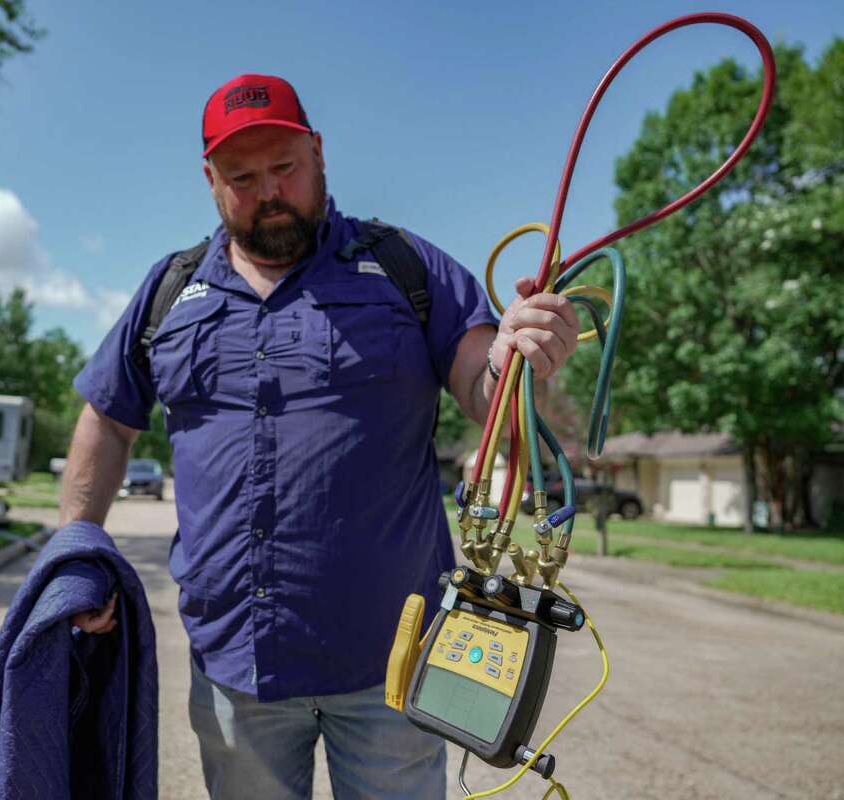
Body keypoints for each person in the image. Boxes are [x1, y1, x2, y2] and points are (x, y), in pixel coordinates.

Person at [60, 73, 580, 799]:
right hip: (237, 667)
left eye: (285, 167)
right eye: (242, 176)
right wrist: (73, 551)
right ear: (209, 180)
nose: (269, 190)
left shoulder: (405, 267)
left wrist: (521, 356)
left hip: (392, 669)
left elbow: (483, 386)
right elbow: (107, 421)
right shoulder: (170, 291)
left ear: (319, 152)